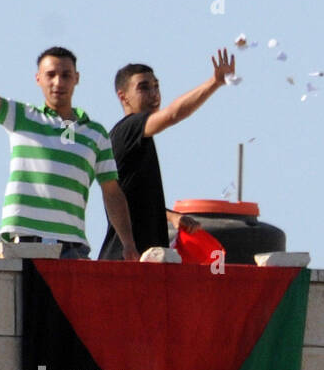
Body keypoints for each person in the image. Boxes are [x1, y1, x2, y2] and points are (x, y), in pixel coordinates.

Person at [0, 8, 139, 260]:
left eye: (65, 75)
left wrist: (127, 243)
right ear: (38, 78)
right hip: (21, 245)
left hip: (72, 249)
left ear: (77, 79)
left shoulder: (95, 134)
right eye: (50, 75)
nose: (58, 82)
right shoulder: (21, 117)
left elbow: (112, 191)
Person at [98, 50, 235, 260]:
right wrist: (214, 83)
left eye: (156, 86)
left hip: (145, 261)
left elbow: (136, 205)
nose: (154, 94)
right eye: (144, 88)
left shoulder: (137, 139)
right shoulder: (129, 129)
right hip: (126, 260)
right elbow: (173, 114)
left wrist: (173, 217)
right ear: (122, 96)